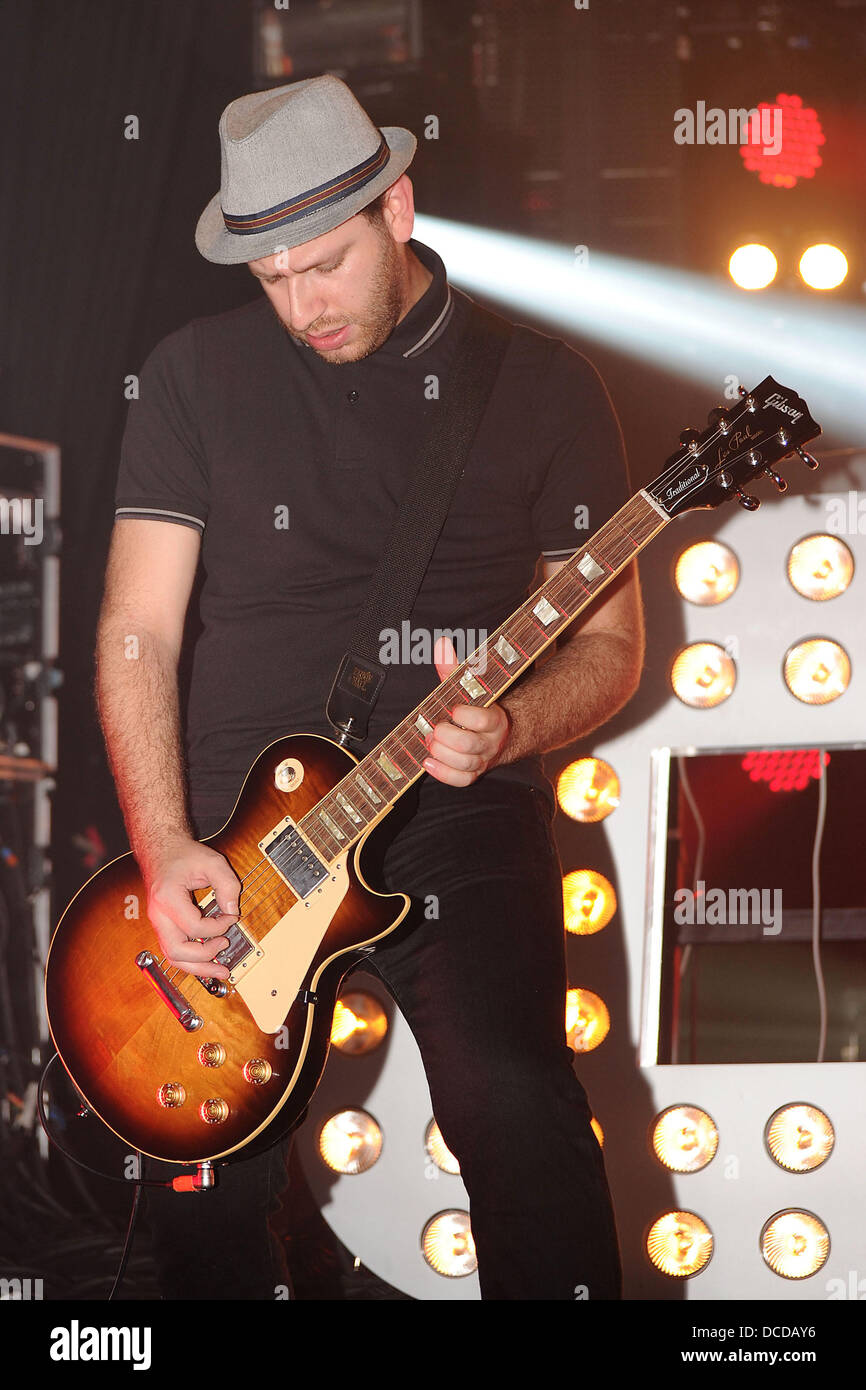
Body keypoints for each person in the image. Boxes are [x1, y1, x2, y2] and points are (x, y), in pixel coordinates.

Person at [96, 74, 644, 1300]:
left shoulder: (541, 386)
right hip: (235, 834)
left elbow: (608, 652)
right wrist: (160, 837)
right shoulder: (190, 376)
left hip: (453, 802)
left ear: (398, 208)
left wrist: (508, 726)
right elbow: (136, 626)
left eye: (324, 265)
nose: (300, 307)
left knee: (512, 1103)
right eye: (269, 276)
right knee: (208, 1180)